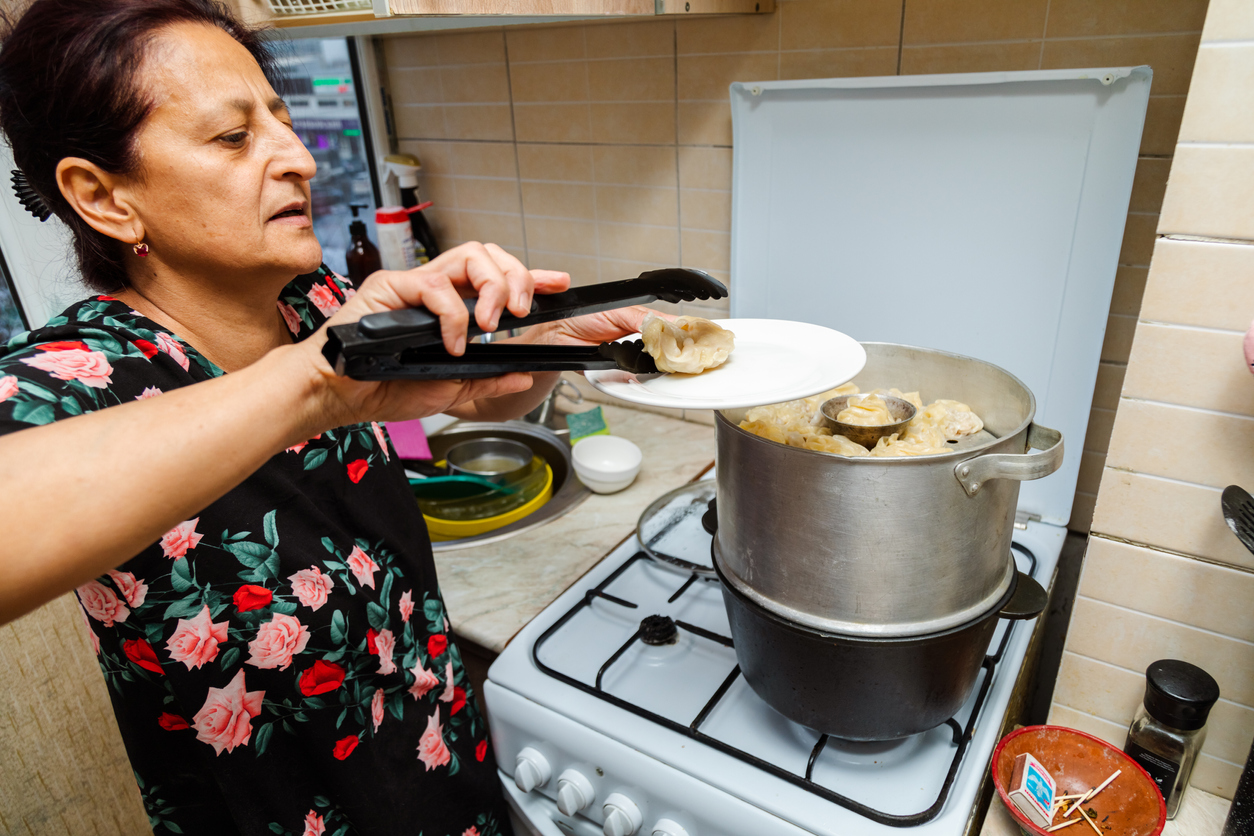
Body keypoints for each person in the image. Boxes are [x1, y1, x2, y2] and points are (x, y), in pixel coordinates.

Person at [0, 1, 650, 833]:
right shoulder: (73, 380)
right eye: (234, 139)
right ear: (105, 197)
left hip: (441, 774)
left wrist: (541, 355)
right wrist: (313, 382)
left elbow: (476, 396)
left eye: (284, 123)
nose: (301, 159)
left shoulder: (315, 308)